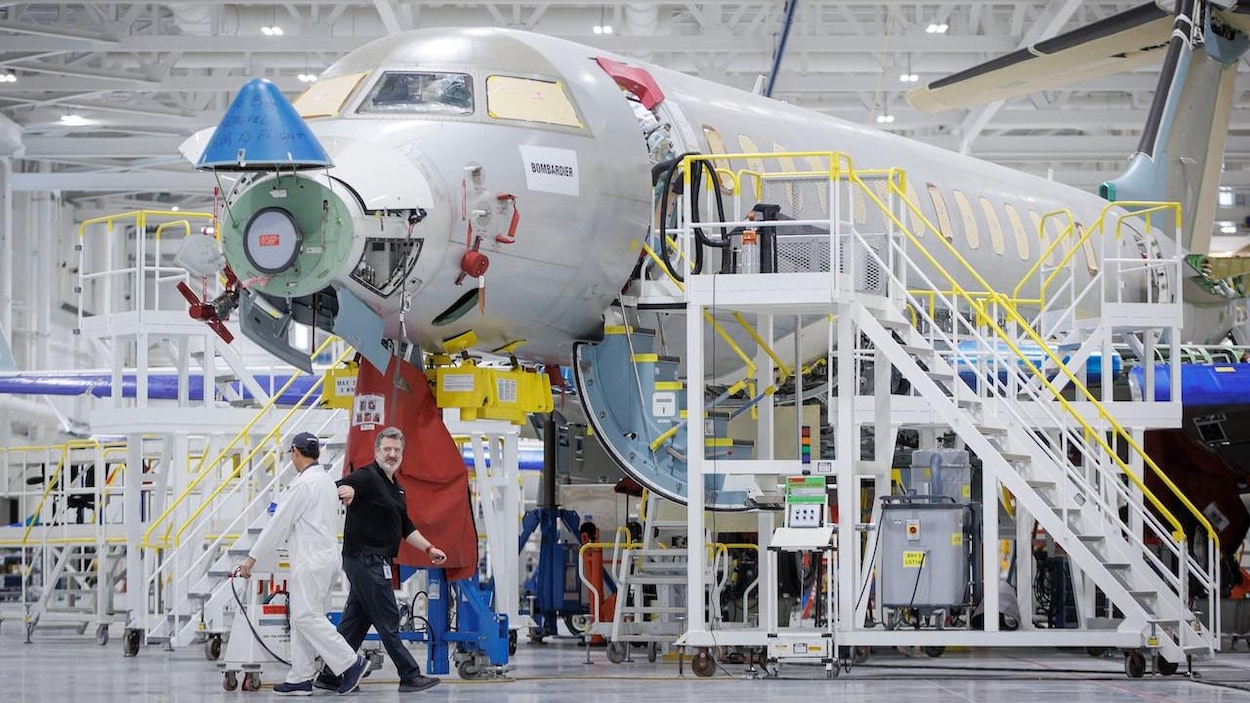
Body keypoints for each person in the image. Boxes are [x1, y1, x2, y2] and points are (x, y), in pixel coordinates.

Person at [315, 426, 448, 694]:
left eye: (396, 450)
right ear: (376, 452)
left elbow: (405, 527)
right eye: (386, 449)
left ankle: (329, 675)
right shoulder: (367, 476)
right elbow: (340, 487)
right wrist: (348, 491)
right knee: (387, 618)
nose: (391, 454)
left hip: (374, 559)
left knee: (355, 622)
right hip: (365, 558)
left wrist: (429, 548)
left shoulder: (396, 488)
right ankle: (409, 675)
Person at [238, 432, 370, 696]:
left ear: (295, 453)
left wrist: (253, 556)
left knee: (304, 616)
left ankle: (350, 662)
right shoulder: (325, 481)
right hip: (326, 558)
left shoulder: (303, 484)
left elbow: (279, 523)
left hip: (310, 561)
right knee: (306, 620)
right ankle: (300, 677)